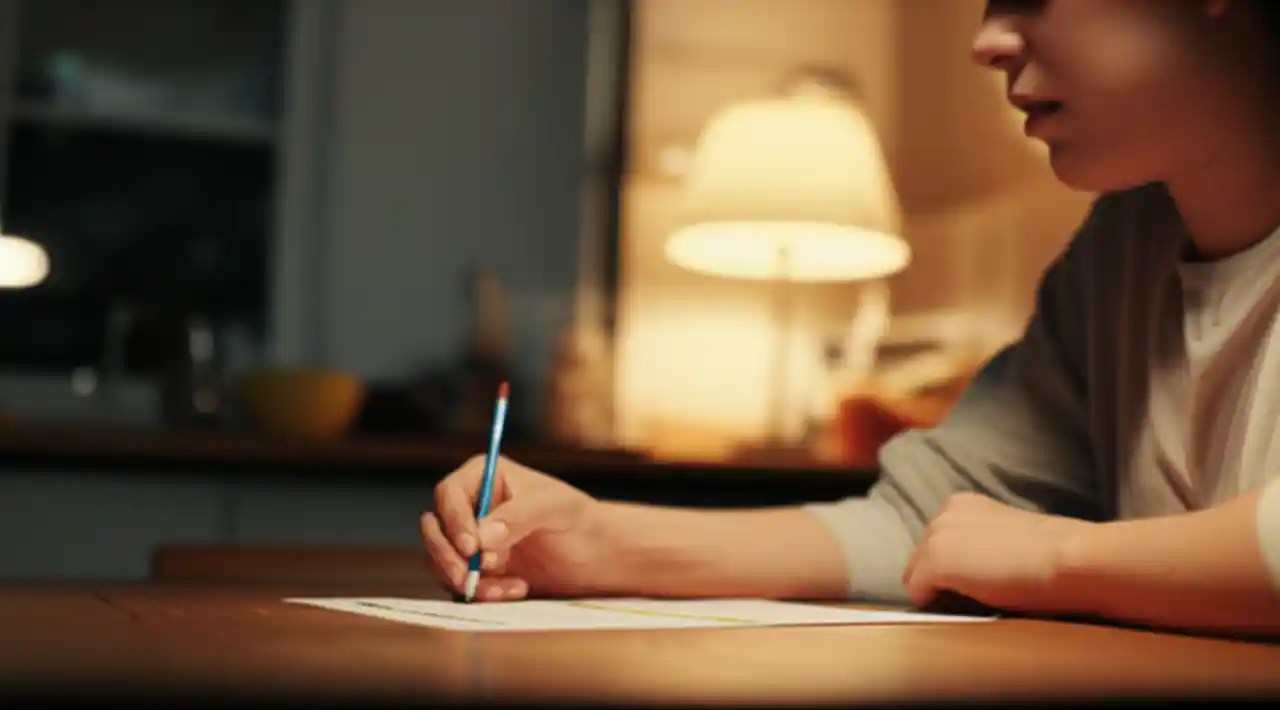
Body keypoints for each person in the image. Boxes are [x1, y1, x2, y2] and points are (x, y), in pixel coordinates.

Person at [422, 0, 1280, 637]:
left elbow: (1006, 544)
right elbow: (932, 527)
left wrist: (1055, 558)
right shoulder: (1121, 249)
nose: (986, 39)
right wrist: (603, 543)